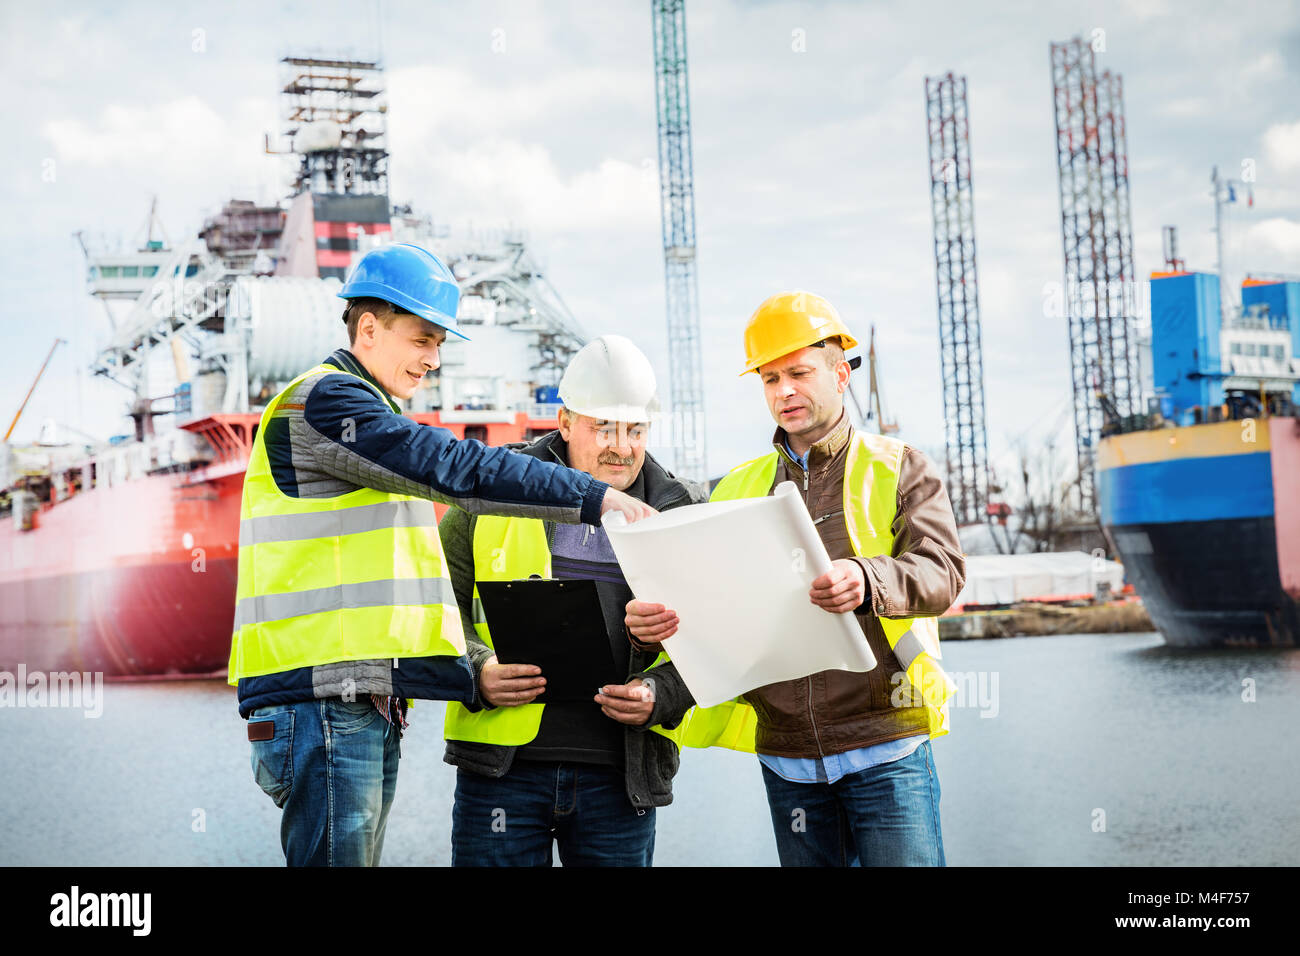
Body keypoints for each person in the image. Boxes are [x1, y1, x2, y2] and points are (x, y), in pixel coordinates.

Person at [230, 243, 655, 866]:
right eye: (422, 339)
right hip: (321, 699)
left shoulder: (366, 415)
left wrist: (460, 674)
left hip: (356, 698)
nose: (433, 358)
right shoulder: (328, 404)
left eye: (440, 344)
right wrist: (592, 496)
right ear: (368, 329)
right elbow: (454, 466)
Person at [626, 290, 966, 867]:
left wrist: (866, 578)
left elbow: (944, 571)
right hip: (788, 758)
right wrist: (650, 629)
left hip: (886, 742)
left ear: (841, 374)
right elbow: (712, 611)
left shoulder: (898, 465)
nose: (784, 391)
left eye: (799, 373)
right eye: (770, 379)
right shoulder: (738, 487)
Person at [439, 334, 707, 867]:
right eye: (603, 426)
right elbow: (435, 604)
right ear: (563, 422)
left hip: (622, 778)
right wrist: (477, 670)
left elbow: (714, 637)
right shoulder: (491, 487)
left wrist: (660, 693)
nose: (621, 447)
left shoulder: (680, 510)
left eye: (635, 429)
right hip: (502, 773)